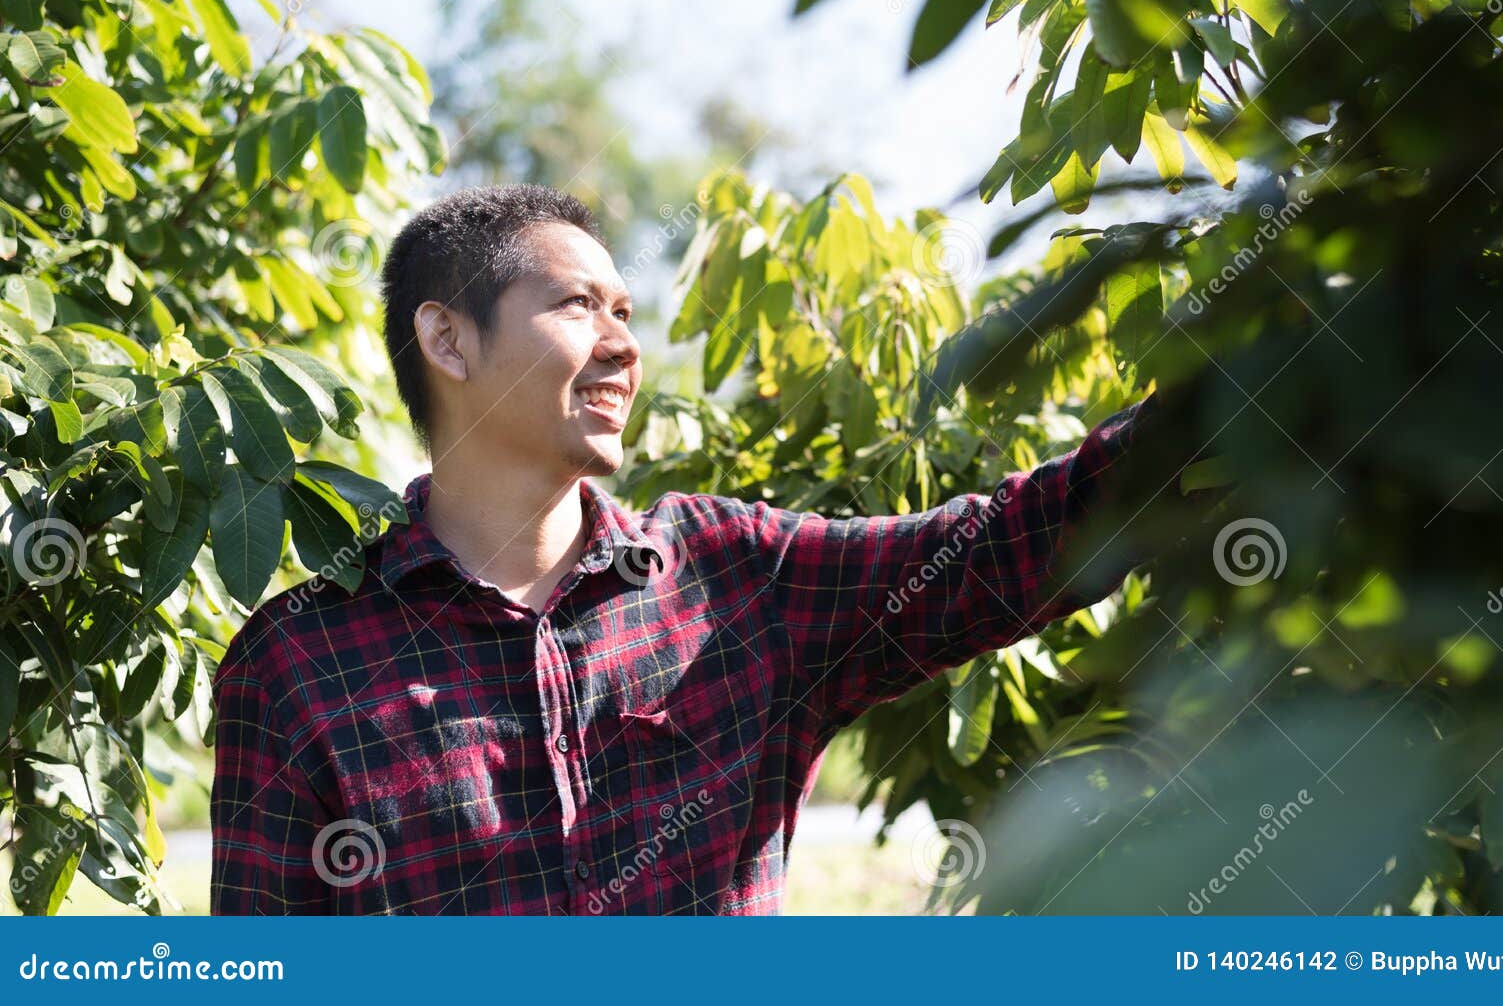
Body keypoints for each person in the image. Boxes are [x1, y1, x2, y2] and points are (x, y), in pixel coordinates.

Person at [209, 184, 1174, 915]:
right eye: (580, 305)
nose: (624, 346)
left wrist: (1222, 405)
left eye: (626, 313)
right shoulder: (298, 664)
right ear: (448, 342)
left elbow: (998, 550)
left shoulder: (731, 577)